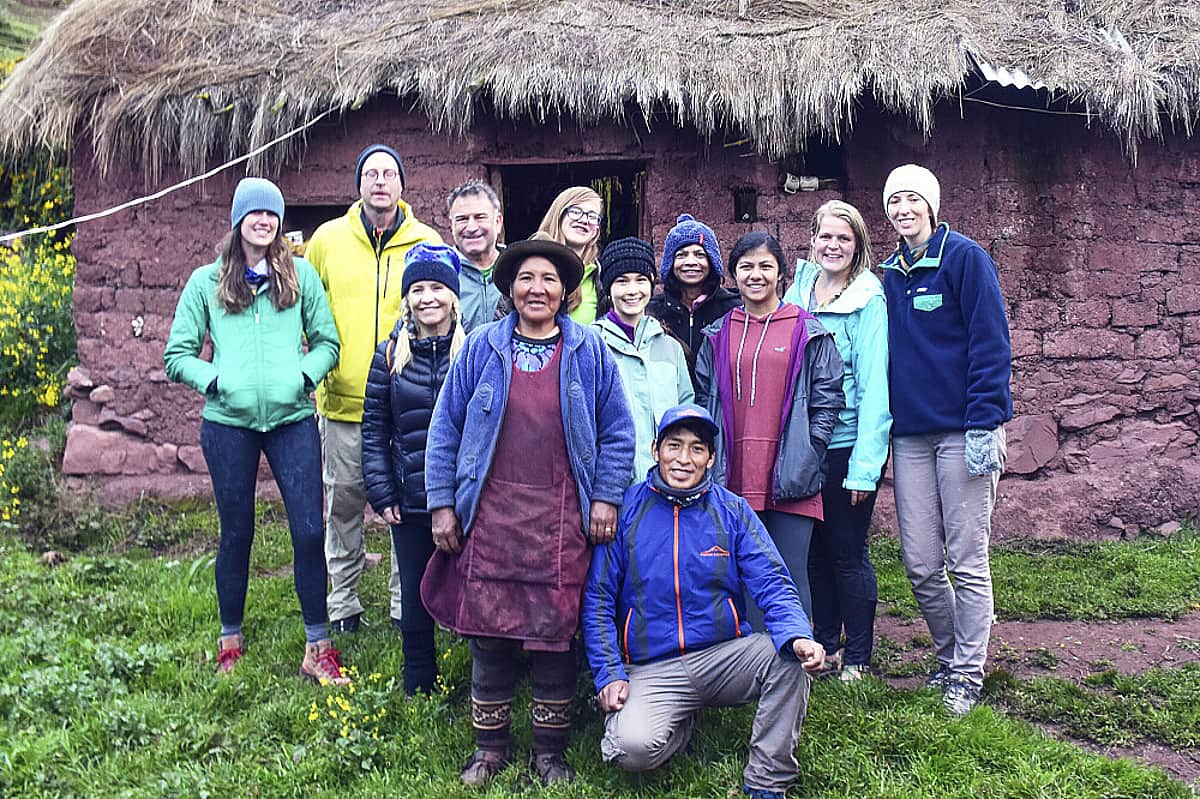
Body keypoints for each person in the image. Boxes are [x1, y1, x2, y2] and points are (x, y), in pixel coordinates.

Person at [421, 236, 635, 786]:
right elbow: (445, 427)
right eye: (526, 279)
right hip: (491, 518)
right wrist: (442, 503)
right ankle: (489, 751)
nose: (537, 289)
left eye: (548, 280)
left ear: (565, 291)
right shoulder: (481, 351)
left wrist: (606, 496)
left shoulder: (588, 351)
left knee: (555, 640)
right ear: (510, 288)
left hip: (562, 520)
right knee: (489, 636)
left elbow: (617, 430)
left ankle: (549, 754)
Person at [583, 404, 826, 799]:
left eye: (697, 449)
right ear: (655, 449)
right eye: (674, 446)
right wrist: (609, 673)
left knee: (788, 659)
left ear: (711, 458)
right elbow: (597, 600)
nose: (684, 459)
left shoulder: (732, 511)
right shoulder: (626, 511)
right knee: (630, 750)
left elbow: (773, 582)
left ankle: (766, 779)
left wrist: (797, 635)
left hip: (723, 656)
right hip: (652, 664)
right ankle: (680, 720)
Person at [164, 177, 347, 685]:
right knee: (236, 533)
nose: (264, 222)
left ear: (280, 223)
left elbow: (327, 342)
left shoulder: (302, 276)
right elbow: (176, 355)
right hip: (228, 425)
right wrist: (216, 379)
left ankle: (319, 647)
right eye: (255, 214)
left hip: (291, 421)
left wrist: (304, 376)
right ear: (238, 221)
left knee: (310, 533)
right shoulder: (206, 282)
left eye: (272, 215)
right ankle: (230, 640)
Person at [880, 164, 1012, 715]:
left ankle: (966, 674)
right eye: (894, 201)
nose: (903, 208)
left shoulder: (965, 258)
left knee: (966, 559)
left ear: (932, 205)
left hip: (962, 431)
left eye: (913, 199)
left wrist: (986, 420)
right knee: (920, 563)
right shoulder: (889, 273)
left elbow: (990, 343)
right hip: (910, 435)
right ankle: (948, 653)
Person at [305, 143, 442, 634]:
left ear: (402, 185)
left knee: (403, 508)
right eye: (371, 173)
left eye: (389, 173)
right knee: (343, 505)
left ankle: (405, 604)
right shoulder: (327, 240)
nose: (380, 181)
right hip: (343, 405)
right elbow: (306, 305)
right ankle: (342, 603)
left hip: (406, 405)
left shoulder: (427, 241)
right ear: (358, 184)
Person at [694, 232, 844, 624]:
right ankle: (752, 667)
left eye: (765, 266)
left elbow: (828, 398)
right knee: (743, 572)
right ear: (733, 275)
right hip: (734, 473)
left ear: (780, 274)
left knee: (790, 573)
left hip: (791, 472)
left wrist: (811, 449)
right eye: (746, 266)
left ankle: (795, 666)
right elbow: (705, 397)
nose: (755, 275)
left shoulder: (807, 330)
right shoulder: (718, 334)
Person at [783, 200, 891, 681]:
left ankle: (860, 656)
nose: (833, 246)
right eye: (826, 236)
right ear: (812, 238)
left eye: (843, 239)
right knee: (813, 552)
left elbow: (874, 389)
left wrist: (865, 467)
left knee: (847, 552)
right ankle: (826, 644)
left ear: (858, 245)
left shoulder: (868, 300)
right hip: (806, 444)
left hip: (846, 446)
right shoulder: (800, 290)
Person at [360, 243, 465, 696]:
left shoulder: (475, 352)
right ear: (406, 299)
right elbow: (373, 429)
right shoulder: (389, 357)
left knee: (472, 587)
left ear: (453, 297)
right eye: (418, 289)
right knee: (417, 589)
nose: (428, 298)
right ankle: (419, 679)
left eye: (437, 288)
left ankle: (484, 678)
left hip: (465, 499)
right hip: (412, 497)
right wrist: (382, 493)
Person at [592, 237, 694, 484]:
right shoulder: (592, 344)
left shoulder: (669, 347)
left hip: (666, 481)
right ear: (608, 287)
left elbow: (685, 409)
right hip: (613, 482)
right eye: (621, 281)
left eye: (640, 280)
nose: (632, 290)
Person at [645, 213, 742, 370]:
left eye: (699, 255)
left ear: (712, 262)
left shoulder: (732, 309)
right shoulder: (653, 310)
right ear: (670, 263)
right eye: (681, 255)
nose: (691, 262)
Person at [535, 186, 604, 325]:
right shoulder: (527, 262)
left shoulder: (599, 275)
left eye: (592, 216)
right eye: (576, 211)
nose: (584, 220)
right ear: (559, 215)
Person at [447, 179, 504, 331]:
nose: (471, 227)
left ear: (497, 222)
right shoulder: (442, 275)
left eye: (480, 217)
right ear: (451, 225)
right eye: (462, 219)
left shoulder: (516, 271)